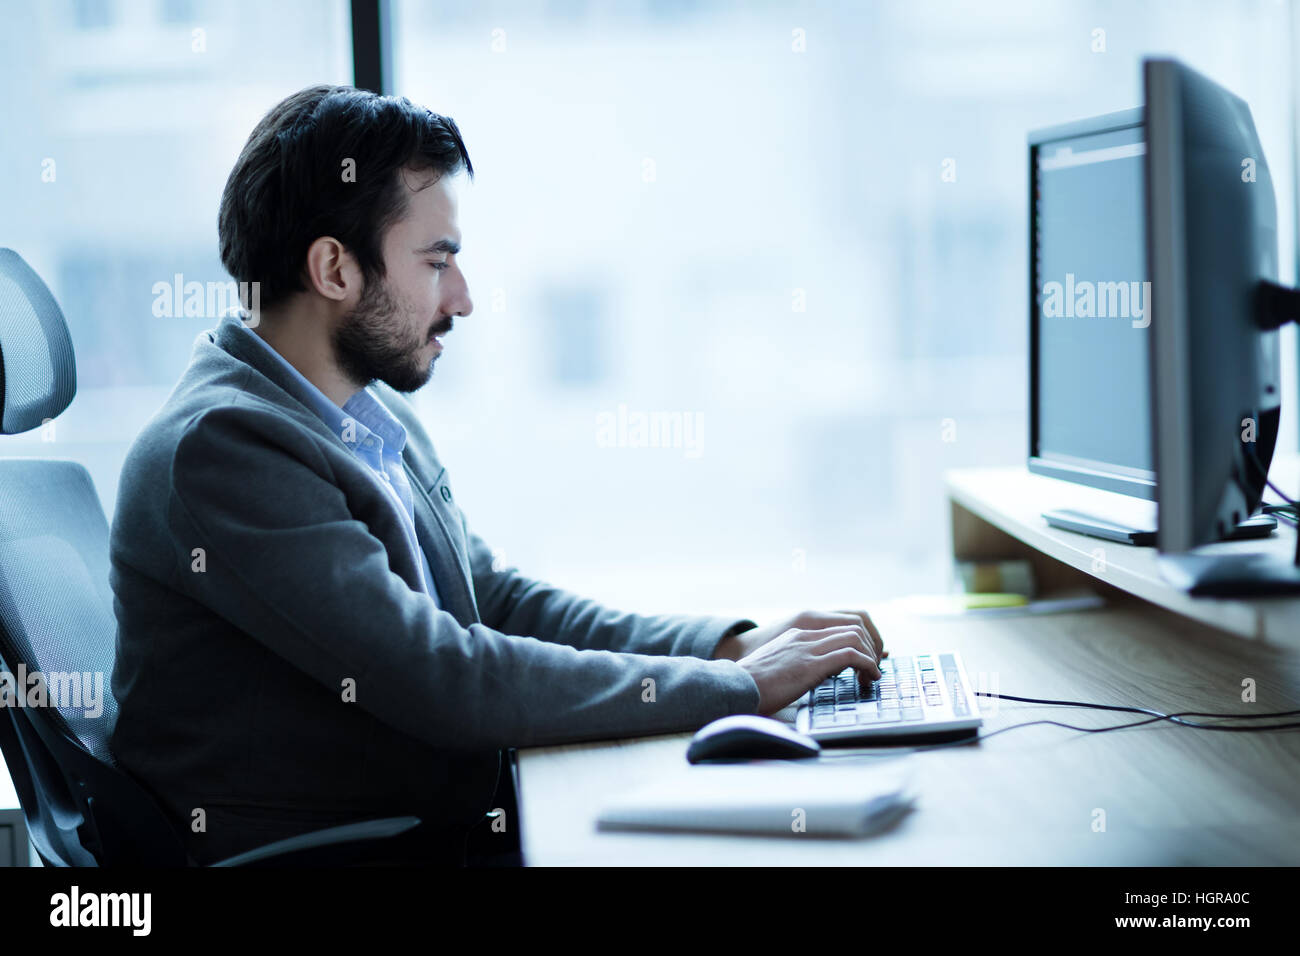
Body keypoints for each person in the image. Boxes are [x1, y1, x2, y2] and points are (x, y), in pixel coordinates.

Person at [107, 85, 886, 867]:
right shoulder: (225, 448)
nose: (463, 298)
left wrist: (724, 649)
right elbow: (439, 677)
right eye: (436, 261)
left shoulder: (365, 412)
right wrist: (740, 691)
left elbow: (493, 601)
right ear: (335, 268)